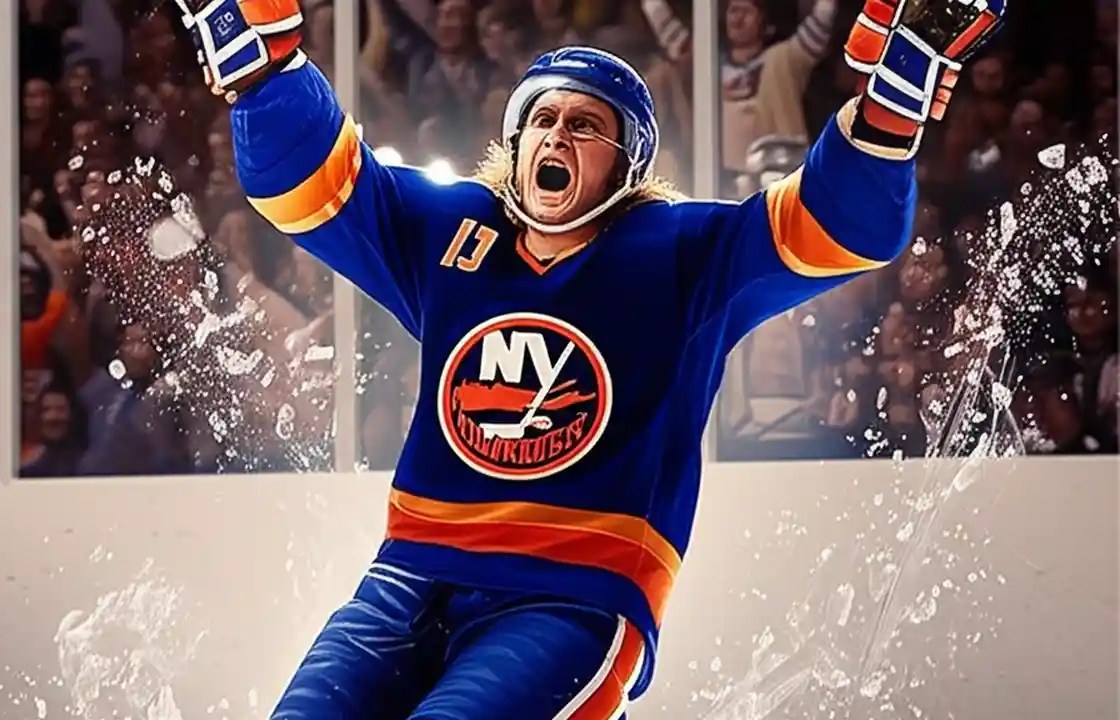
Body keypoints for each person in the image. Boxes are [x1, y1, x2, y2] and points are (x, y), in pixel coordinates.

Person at [83, 0, 1007, 716]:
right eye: (541, 121)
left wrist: (891, 106)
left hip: (570, 602)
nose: (556, 137)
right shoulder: (452, 227)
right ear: (512, 143)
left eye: (584, 126)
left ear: (628, 163)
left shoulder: (681, 254)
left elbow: (840, 226)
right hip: (406, 579)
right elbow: (307, 184)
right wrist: (267, 69)